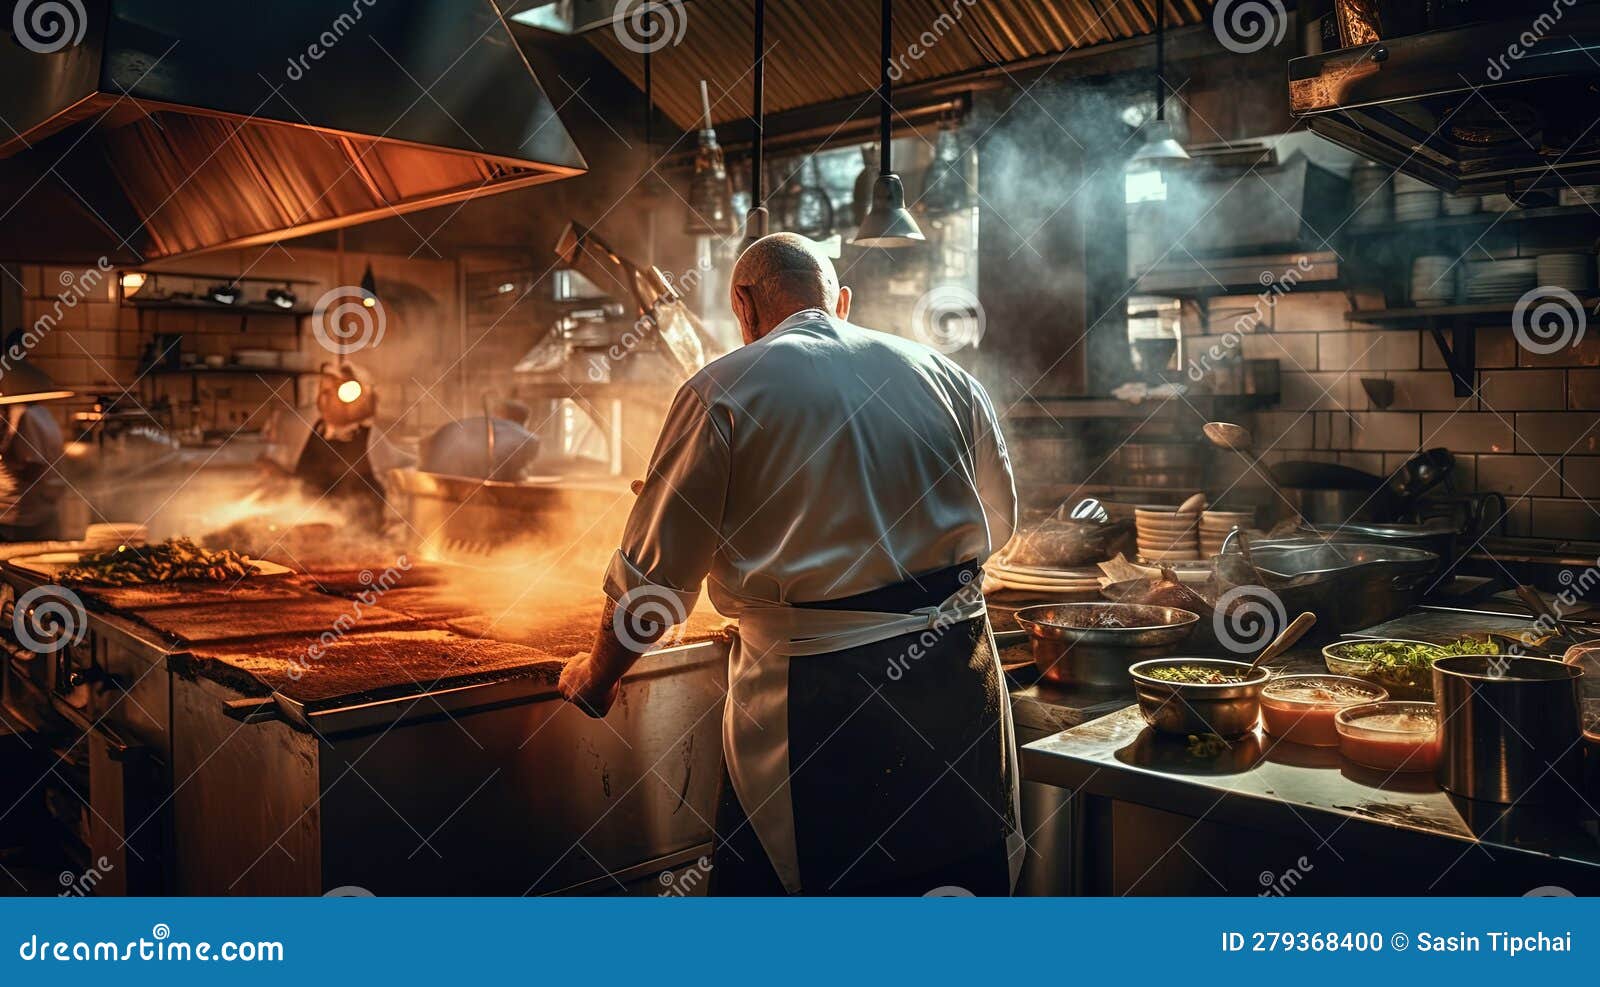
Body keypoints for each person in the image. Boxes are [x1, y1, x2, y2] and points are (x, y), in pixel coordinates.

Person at [559, 233, 1020, 896]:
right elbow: (999, 525)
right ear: (841, 300)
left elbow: (651, 590)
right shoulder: (946, 375)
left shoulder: (721, 387)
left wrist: (597, 676)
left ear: (742, 304)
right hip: (959, 678)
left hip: (820, 703)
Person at [417, 400, 541, 480]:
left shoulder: (467, 425)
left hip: (440, 487)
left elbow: (425, 444)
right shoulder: (526, 438)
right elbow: (514, 476)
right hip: (478, 495)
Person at [0, 402, 65, 541]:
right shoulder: (42, 412)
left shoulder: (24, 415)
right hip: (39, 513)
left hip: (19, 520)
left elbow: (34, 467)